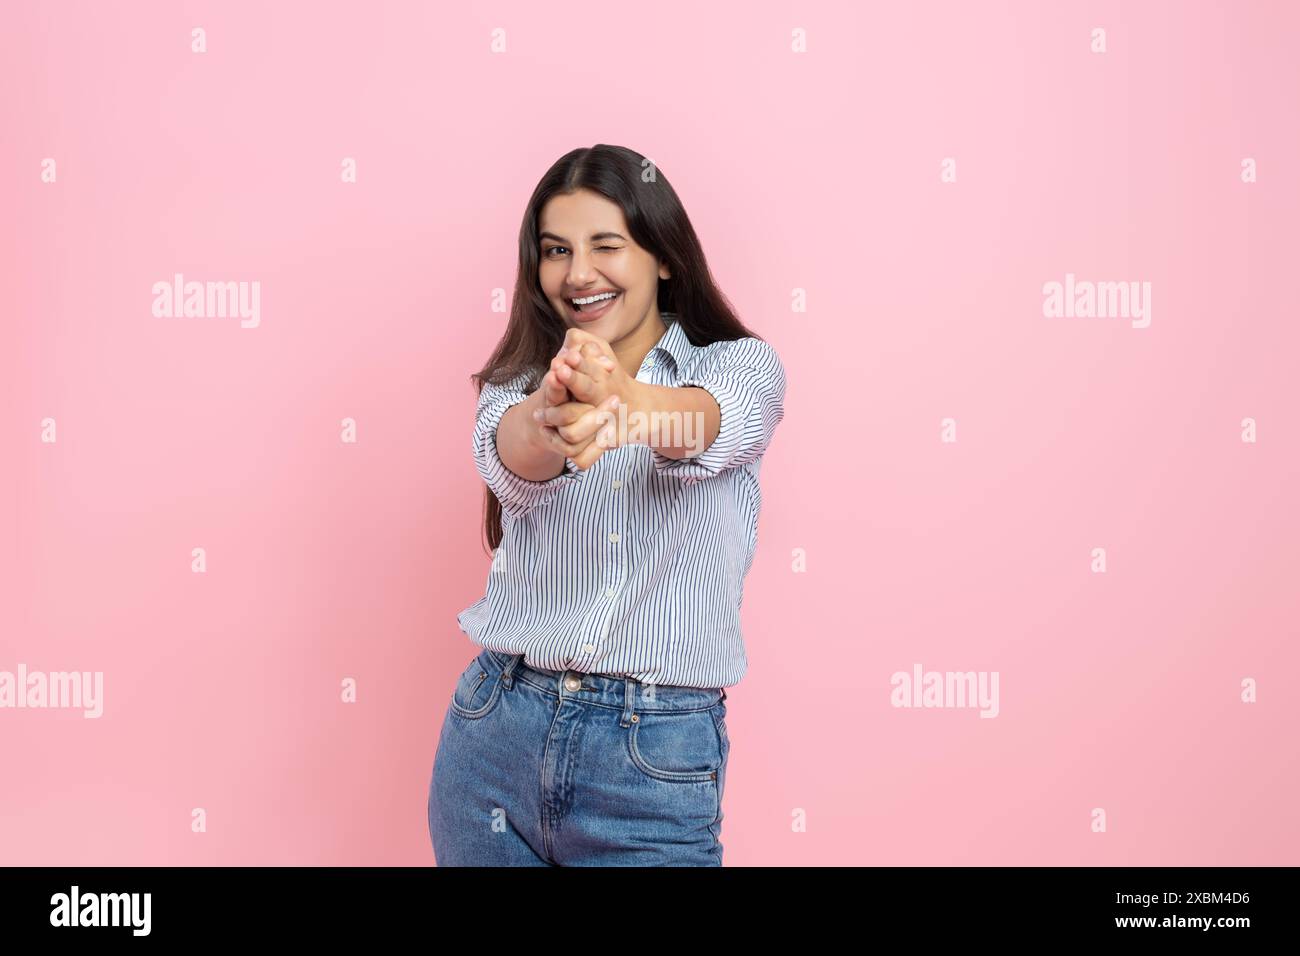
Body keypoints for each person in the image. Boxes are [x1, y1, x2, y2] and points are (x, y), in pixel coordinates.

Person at [428, 144, 786, 866]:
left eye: (606, 246)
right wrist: (555, 417)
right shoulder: (520, 385)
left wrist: (630, 407)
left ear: (661, 256)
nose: (578, 272)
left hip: (652, 757)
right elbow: (516, 449)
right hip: (495, 733)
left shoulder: (738, 367)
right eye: (557, 249)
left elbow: (707, 424)